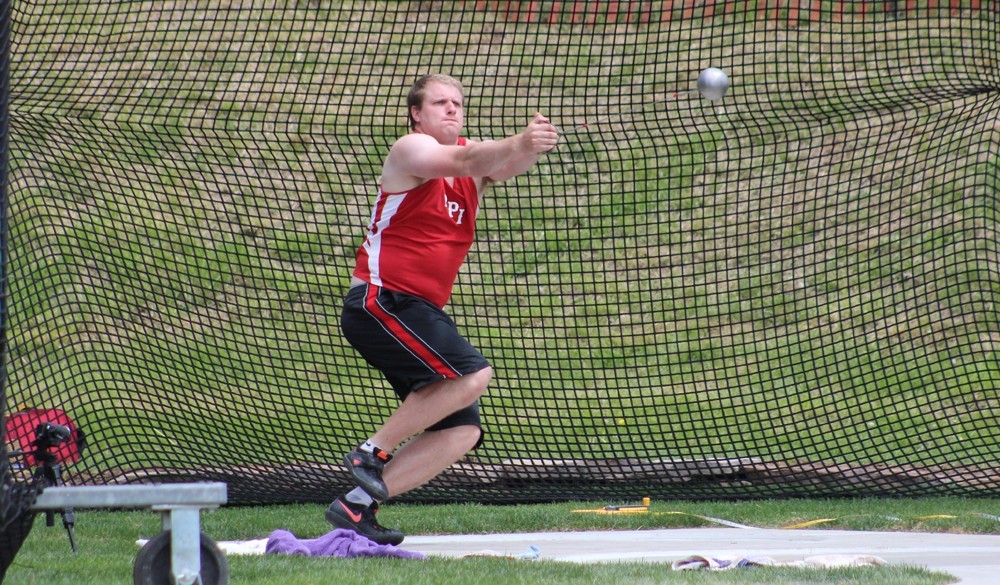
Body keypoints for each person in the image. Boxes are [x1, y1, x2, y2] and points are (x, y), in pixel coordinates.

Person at [326, 74, 559, 545]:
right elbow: (468, 157)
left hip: (418, 308)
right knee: (472, 375)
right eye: (439, 102)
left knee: (461, 431)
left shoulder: (473, 166)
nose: (451, 109)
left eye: (457, 103)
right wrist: (518, 140)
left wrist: (534, 144)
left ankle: (357, 507)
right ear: (417, 112)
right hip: (381, 298)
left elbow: (500, 165)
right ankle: (369, 453)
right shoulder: (410, 149)